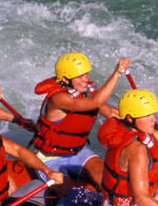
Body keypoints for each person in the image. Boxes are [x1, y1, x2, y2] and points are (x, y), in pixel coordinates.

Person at [29, 52, 129, 190]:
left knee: (108, 181)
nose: (85, 80)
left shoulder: (83, 92)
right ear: (65, 79)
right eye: (79, 77)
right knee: (78, 196)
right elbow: (96, 103)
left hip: (77, 152)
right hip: (49, 158)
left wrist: (137, 120)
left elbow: (112, 113)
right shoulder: (58, 99)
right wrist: (117, 73)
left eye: (86, 74)